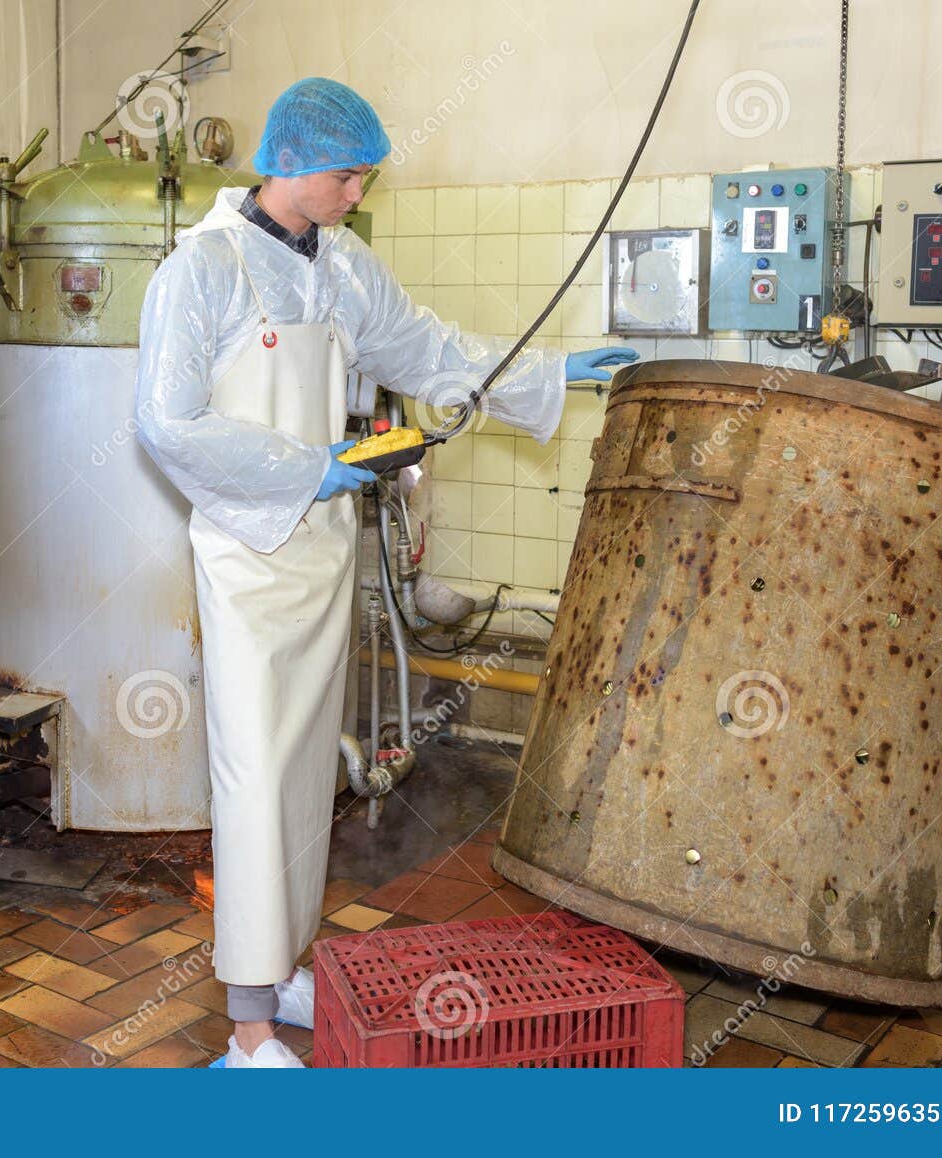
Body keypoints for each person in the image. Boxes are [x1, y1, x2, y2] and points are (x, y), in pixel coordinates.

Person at [135, 77, 638, 1067]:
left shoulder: (339, 265)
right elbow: (167, 421)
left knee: (304, 774)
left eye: (363, 174)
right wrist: (301, 467)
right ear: (287, 162)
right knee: (254, 775)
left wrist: (546, 371)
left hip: (323, 552)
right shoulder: (201, 271)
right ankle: (244, 1034)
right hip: (250, 554)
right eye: (345, 173)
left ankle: (279, 971)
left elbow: (427, 348)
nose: (357, 190)